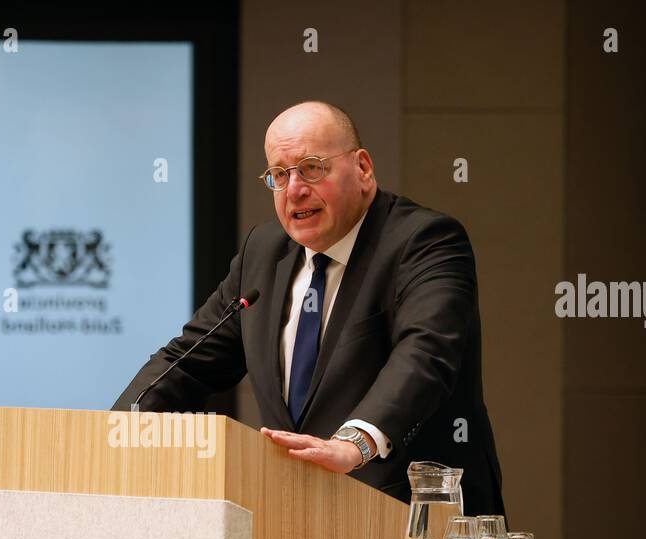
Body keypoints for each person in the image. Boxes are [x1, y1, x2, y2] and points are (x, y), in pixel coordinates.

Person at [113, 100, 505, 516]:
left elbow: (424, 355)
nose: (294, 189)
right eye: (279, 175)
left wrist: (352, 444)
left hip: (417, 523)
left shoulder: (424, 241)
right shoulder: (262, 254)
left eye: (312, 168)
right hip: (302, 526)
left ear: (363, 169)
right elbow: (189, 361)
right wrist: (115, 431)